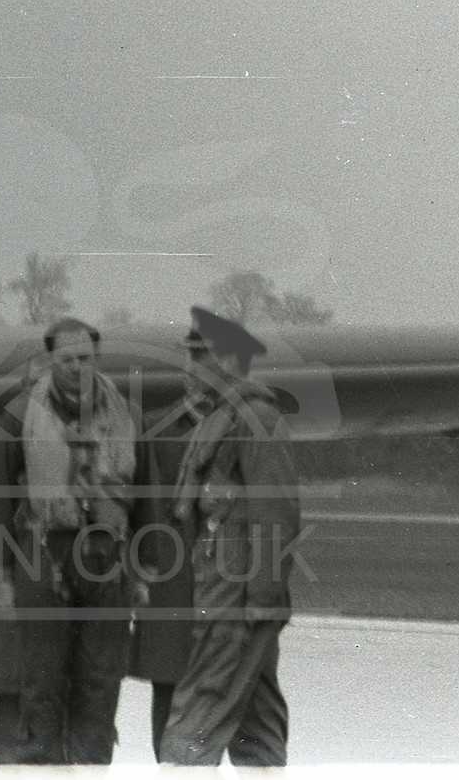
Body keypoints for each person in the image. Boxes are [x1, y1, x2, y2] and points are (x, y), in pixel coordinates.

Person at [0, 317, 139, 764]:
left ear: (96, 358)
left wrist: (146, 567)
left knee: (101, 678)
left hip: (106, 559)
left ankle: (92, 765)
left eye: (84, 358)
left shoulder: (125, 414)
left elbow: (148, 490)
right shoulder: (16, 417)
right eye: (66, 360)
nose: (76, 367)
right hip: (44, 555)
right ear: (50, 360)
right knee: (41, 679)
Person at [159, 307, 301, 767]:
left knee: (200, 709)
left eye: (199, 357)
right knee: (256, 722)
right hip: (223, 590)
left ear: (229, 361)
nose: (188, 368)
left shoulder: (255, 419)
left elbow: (275, 513)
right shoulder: (218, 419)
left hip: (237, 600)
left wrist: (262, 601)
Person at [127, 327, 206, 759]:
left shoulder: (249, 431)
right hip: (172, 584)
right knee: (169, 691)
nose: (201, 368)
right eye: (195, 357)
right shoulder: (157, 431)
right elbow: (141, 511)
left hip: (227, 584)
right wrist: (142, 576)